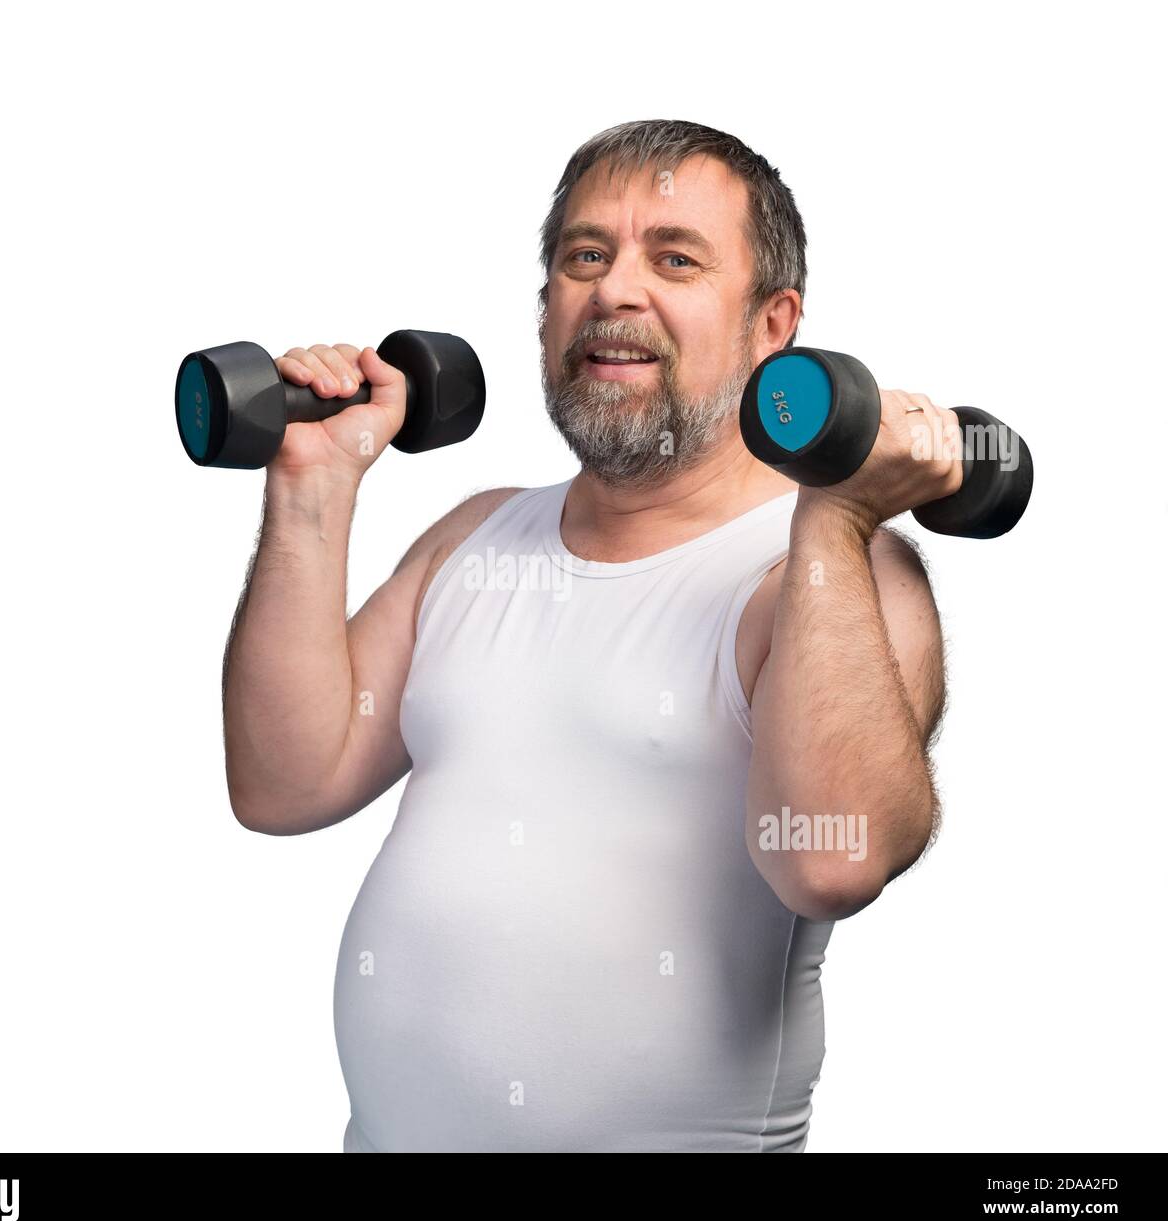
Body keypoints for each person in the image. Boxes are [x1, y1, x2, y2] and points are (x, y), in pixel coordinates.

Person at [221, 119, 954, 1152]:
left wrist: (833, 515)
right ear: (543, 312)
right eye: (585, 256)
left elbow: (833, 863)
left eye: (675, 257)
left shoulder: (823, 575)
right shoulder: (476, 537)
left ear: (772, 325)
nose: (614, 289)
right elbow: (284, 785)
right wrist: (310, 492)